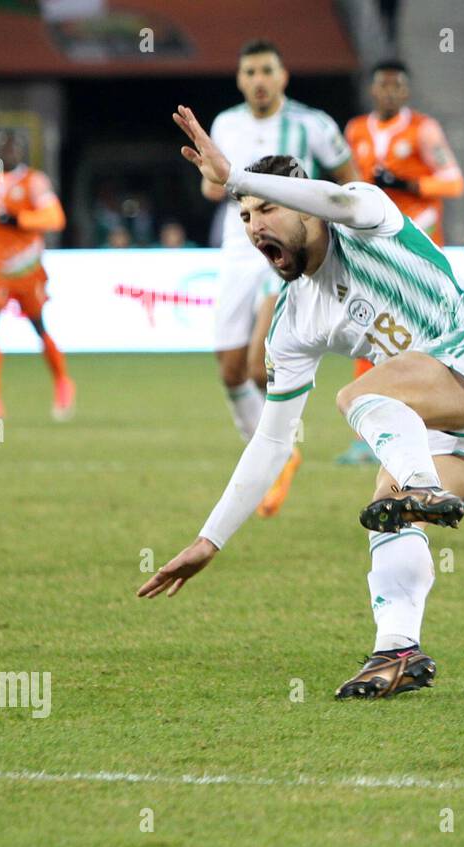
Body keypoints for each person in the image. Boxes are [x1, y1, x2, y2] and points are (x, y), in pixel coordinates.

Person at [139, 106, 464, 702]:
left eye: (266, 208)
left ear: (303, 204)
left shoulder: (365, 217)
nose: (253, 226)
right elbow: (273, 441)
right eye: (244, 216)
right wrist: (209, 539)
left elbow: (342, 201)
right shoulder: (294, 319)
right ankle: (398, 651)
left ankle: (419, 484)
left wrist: (238, 177)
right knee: (387, 512)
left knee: (359, 393)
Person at [203, 38, 359, 516]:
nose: (259, 80)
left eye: (267, 71)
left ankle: (275, 452)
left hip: (284, 254)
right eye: (249, 72)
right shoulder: (226, 124)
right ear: (240, 80)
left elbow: (349, 179)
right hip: (236, 251)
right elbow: (211, 189)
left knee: (258, 366)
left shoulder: (312, 124)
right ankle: (277, 452)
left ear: (283, 76)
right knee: (230, 371)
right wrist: (219, 177)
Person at [336, 59, 464, 465]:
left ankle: (435, 425)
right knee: (369, 329)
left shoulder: (423, 130)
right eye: (383, 85)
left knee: (421, 339)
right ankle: (367, 435)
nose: (390, 92)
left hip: (418, 248)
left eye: (397, 86)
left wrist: (410, 185)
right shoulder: (355, 130)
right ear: (373, 90)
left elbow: (454, 181)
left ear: (406, 92)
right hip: (374, 251)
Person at [0, 130, 74, 424]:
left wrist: (20, 220)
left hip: (26, 268)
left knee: (39, 326)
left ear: (21, 152)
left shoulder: (35, 182)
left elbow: (55, 218)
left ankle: (63, 383)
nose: (7, 152)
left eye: (12, 147)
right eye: (3, 147)